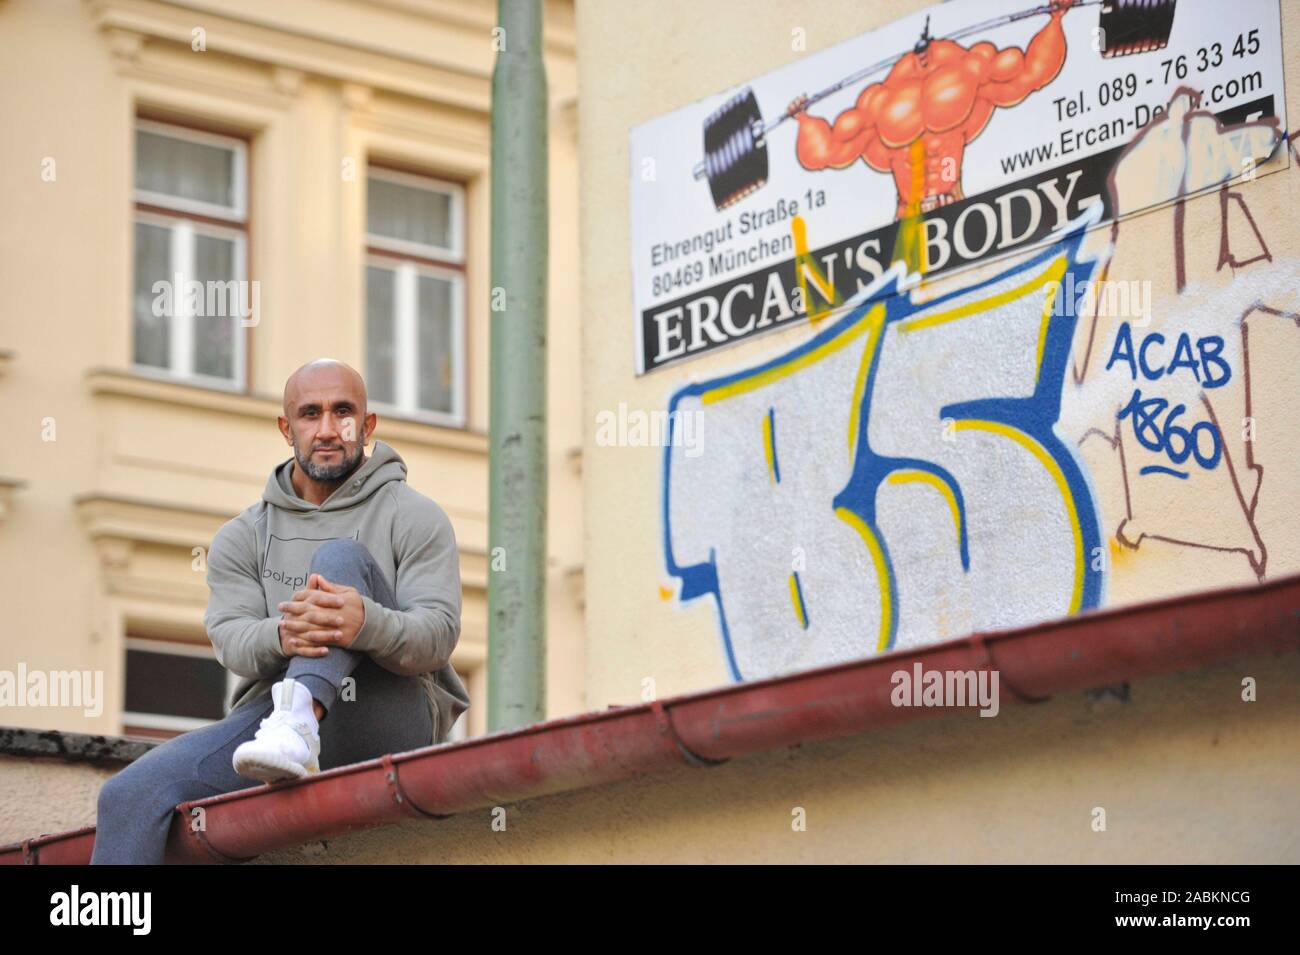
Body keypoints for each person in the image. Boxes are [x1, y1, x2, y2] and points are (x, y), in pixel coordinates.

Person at [90, 358, 470, 864]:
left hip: (389, 718)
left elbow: (438, 635)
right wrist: (288, 635)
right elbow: (232, 641)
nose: (329, 429)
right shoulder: (242, 537)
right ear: (286, 428)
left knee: (340, 558)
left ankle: (299, 722)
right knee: (126, 798)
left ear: (369, 424)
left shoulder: (414, 516)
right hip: (270, 730)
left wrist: (365, 623)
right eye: (310, 414)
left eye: (344, 412)